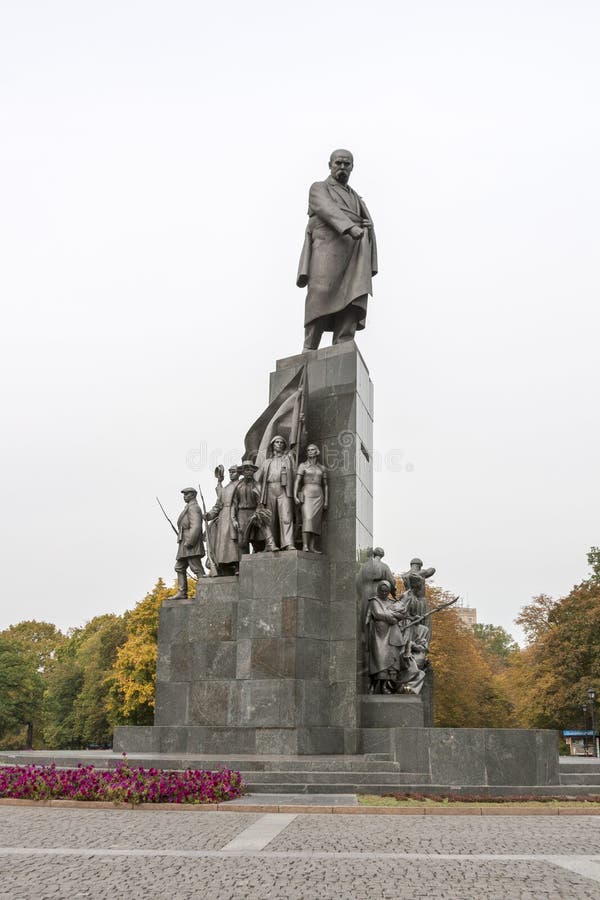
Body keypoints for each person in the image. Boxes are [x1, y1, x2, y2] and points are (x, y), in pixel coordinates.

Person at [297, 149, 377, 351]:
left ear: (352, 167)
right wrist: (351, 227)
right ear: (330, 164)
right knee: (320, 295)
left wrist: (367, 226)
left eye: (347, 164)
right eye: (338, 163)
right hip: (327, 249)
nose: (342, 167)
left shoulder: (357, 198)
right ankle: (309, 348)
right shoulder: (319, 188)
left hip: (356, 252)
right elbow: (326, 209)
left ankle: (343, 344)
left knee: (353, 299)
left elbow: (362, 220)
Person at [254, 435, 296, 550]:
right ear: (272, 445)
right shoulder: (267, 462)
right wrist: (259, 495)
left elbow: (295, 474)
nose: (279, 444)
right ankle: (270, 544)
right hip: (270, 489)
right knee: (270, 519)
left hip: (284, 489)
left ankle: (288, 543)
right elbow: (257, 480)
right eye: (277, 442)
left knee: (286, 517)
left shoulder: (288, 459)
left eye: (281, 442)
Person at [231, 459, 277, 554]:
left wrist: (257, 513)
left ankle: (271, 545)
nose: (248, 472)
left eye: (250, 470)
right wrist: (233, 519)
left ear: (253, 471)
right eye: (245, 470)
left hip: (254, 512)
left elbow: (260, 502)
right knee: (242, 542)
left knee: (259, 532)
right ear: (242, 472)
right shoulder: (238, 486)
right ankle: (243, 564)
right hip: (241, 514)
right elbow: (234, 504)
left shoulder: (257, 485)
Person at [206, 465, 240, 575]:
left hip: (235, 515)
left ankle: (237, 565)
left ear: (238, 473)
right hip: (223, 517)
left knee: (233, 542)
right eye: (230, 472)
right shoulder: (225, 488)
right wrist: (209, 515)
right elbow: (217, 505)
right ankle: (224, 566)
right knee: (222, 544)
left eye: (233, 472)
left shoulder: (240, 485)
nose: (231, 474)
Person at [294, 443, 328, 553]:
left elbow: (326, 485)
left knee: (316, 522)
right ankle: (305, 545)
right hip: (307, 493)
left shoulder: (322, 468)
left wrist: (326, 500)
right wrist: (295, 495)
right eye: (308, 450)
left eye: (312, 449)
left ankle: (312, 546)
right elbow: (297, 481)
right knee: (307, 519)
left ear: (317, 452)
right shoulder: (302, 466)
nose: (310, 451)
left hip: (318, 494)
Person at [173, 487, 205, 599]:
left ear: (193, 495)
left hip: (190, 541)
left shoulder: (194, 508)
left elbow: (196, 526)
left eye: (187, 494)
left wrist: (190, 542)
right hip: (184, 540)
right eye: (184, 494)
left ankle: (205, 591)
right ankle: (182, 592)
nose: (184, 496)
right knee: (179, 567)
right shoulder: (188, 507)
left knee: (195, 567)